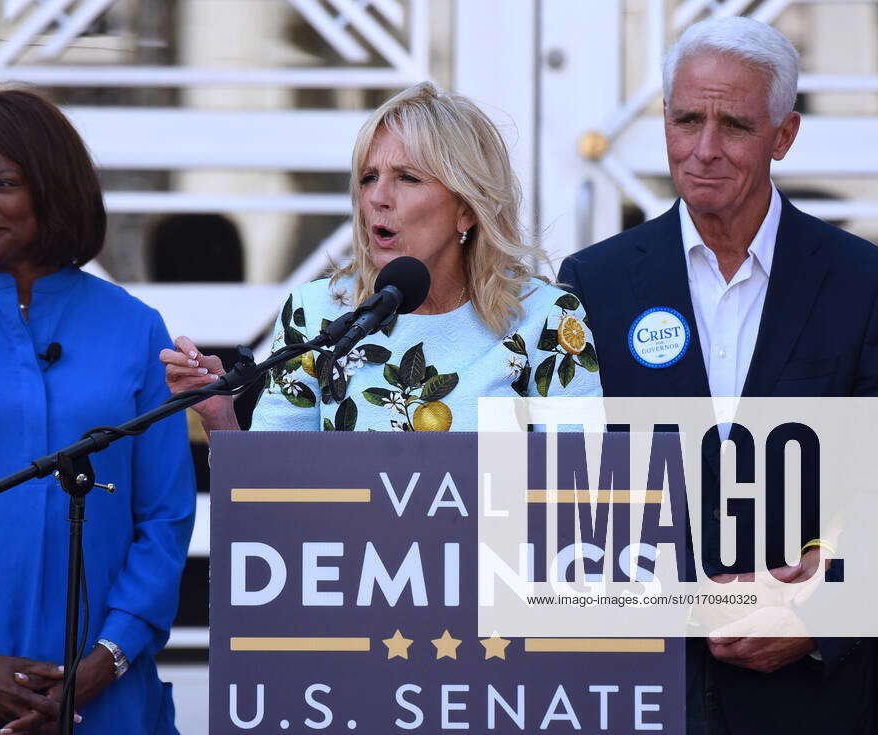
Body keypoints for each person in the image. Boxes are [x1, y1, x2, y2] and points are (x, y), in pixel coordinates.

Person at [557, 17, 878, 735]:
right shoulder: (593, 284)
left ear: (784, 136)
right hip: (646, 689)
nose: (703, 149)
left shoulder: (861, 282)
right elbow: (570, 488)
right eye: (686, 119)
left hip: (815, 700)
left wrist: (824, 613)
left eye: (733, 124)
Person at [0, 89, 196, 734]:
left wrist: (103, 661)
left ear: (53, 188)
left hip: (100, 698)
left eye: (1, 183)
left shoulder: (135, 330)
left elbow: (164, 517)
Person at [162, 82, 602, 433]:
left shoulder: (545, 319)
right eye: (368, 177)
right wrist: (221, 417)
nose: (378, 197)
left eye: (408, 178)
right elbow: (272, 500)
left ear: (467, 207)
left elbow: (581, 496)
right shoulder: (316, 315)